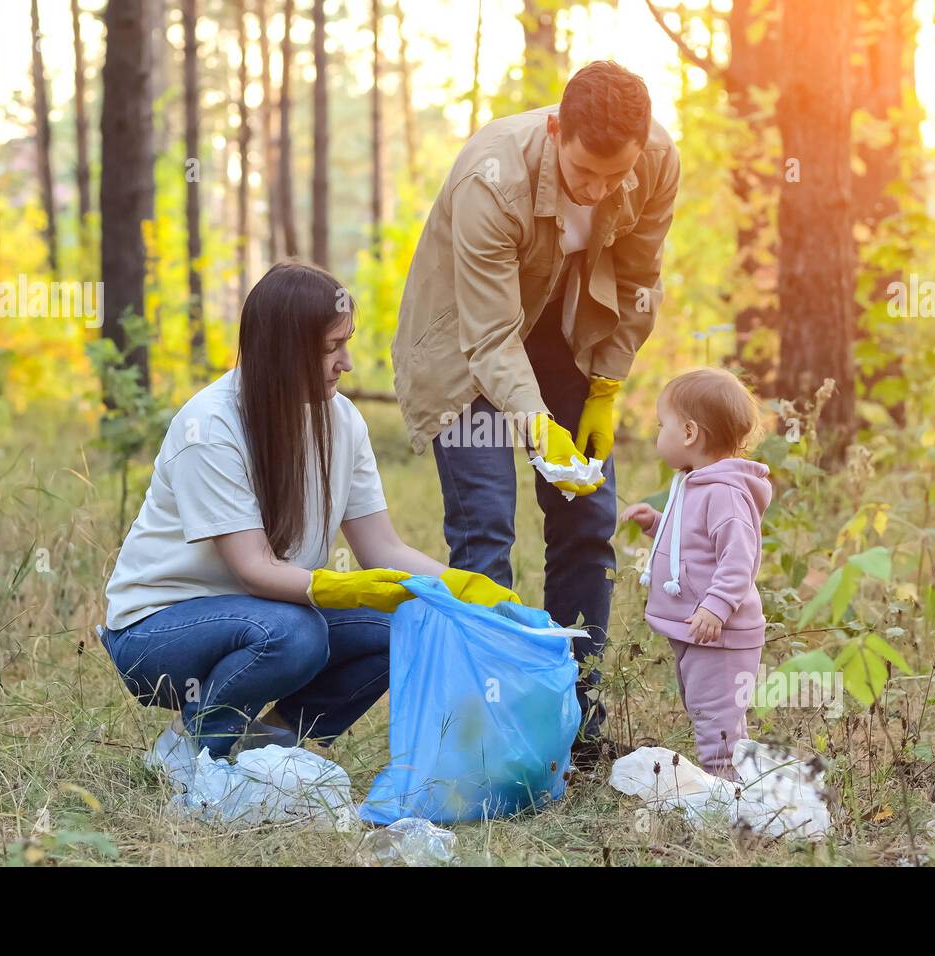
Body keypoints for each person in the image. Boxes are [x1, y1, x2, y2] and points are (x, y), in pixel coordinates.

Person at [99, 261, 519, 767]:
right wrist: (339, 588)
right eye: (329, 348)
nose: (346, 362)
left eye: (347, 342)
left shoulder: (342, 420)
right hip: (158, 632)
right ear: (282, 350)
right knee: (296, 634)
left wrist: (468, 591)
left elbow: (382, 548)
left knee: (405, 625)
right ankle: (196, 755)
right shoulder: (210, 428)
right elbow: (253, 569)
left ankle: (266, 747)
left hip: (271, 612)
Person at [391, 61, 681, 766]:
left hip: (567, 333)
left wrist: (605, 388)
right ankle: (494, 725)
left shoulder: (659, 160)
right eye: (586, 174)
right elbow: (490, 338)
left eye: (617, 177)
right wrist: (535, 422)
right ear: (558, 129)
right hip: (465, 342)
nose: (600, 191)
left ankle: (575, 712)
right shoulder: (491, 177)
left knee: (588, 519)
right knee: (487, 527)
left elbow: (640, 282)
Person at [620, 369, 771, 779]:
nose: (657, 434)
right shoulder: (694, 483)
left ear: (688, 433)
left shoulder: (724, 491)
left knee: (716, 722)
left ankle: (727, 793)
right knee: (707, 711)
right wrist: (655, 523)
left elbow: (740, 557)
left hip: (718, 633)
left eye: (660, 425)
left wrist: (717, 606)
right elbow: (695, 541)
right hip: (698, 630)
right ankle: (738, 784)